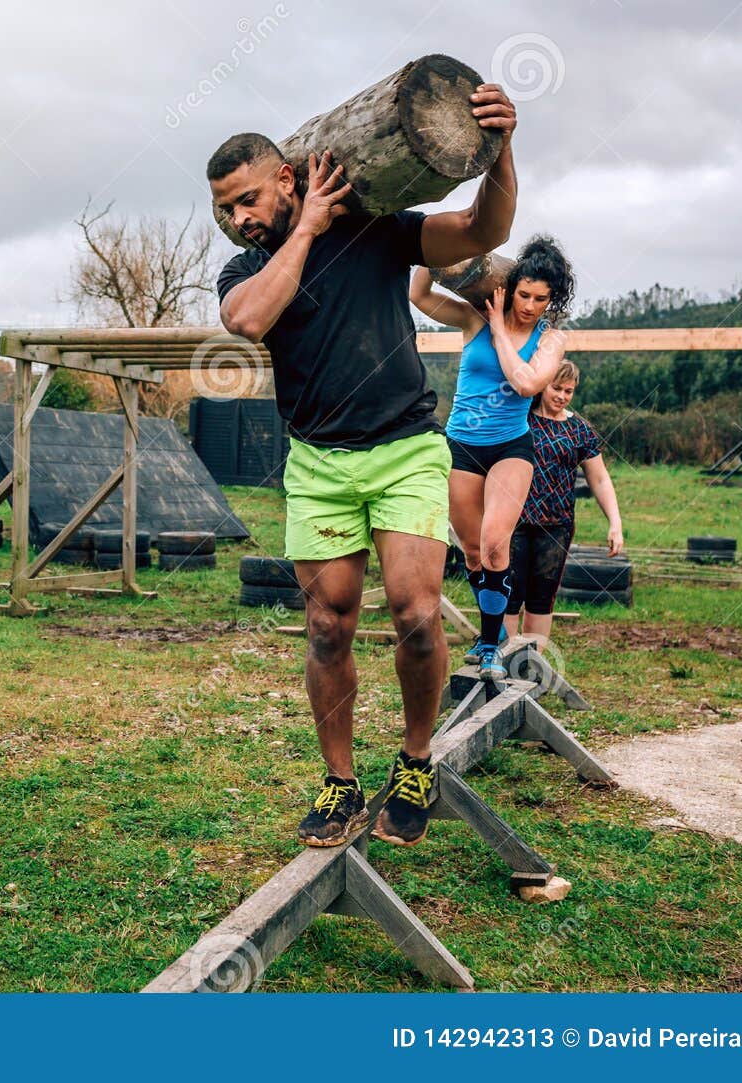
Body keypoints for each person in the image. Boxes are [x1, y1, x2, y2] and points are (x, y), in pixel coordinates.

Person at [208, 82, 518, 849]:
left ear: (287, 176)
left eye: (247, 199)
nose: (239, 219)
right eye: (225, 210)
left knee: (415, 614)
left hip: (405, 448)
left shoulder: (376, 230)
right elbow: (248, 321)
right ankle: (340, 782)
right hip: (317, 463)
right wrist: (302, 230)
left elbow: (485, 225)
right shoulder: (242, 272)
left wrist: (499, 151)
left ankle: (416, 762)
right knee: (326, 624)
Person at [408, 236, 572, 681]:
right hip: (462, 444)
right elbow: (418, 295)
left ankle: (491, 646)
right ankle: (490, 638)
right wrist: (430, 247)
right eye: (524, 295)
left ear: (551, 300)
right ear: (509, 287)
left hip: (511, 448)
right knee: (476, 552)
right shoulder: (471, 318)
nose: (531, 306)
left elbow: (526, 384)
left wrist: (501, 330)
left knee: (497, 540)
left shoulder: (550, 340)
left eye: (542, 299)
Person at [505, 361, 624, 641]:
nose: (561, 396)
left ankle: (531, 667)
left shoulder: (579, 429)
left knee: (542, 598)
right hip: (513, 522)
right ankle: (501, 665)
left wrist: (615, 522)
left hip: (556, 526)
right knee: (509, 594)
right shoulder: (518, 420)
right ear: (542, 384)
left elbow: (600, 479)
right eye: (556, 388)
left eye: (568, 391)